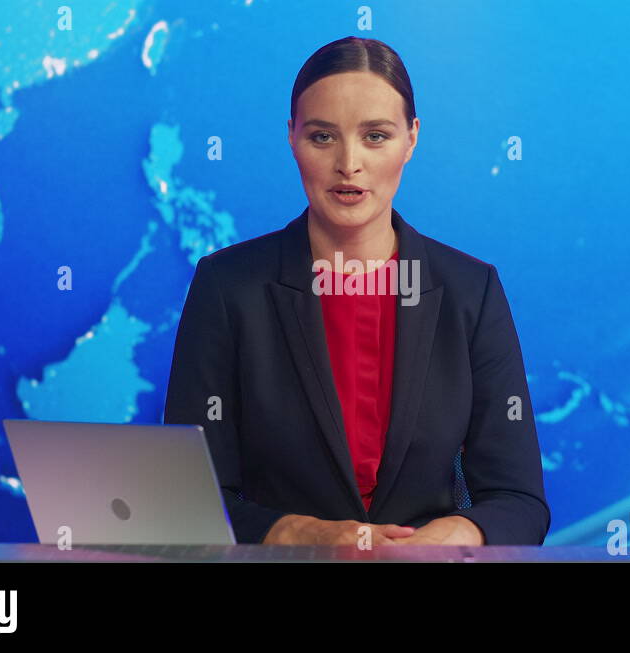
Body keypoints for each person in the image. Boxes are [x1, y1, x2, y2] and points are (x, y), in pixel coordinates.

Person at [163, 36, 550, 546]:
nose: (349, 163)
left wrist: (457, 532)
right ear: (292, 138)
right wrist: (293, 532)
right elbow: (185, 504)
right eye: (323, 137)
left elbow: (519, 502)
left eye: (375, 136)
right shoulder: (227, 287)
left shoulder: (469, 292)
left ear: (412, 139)